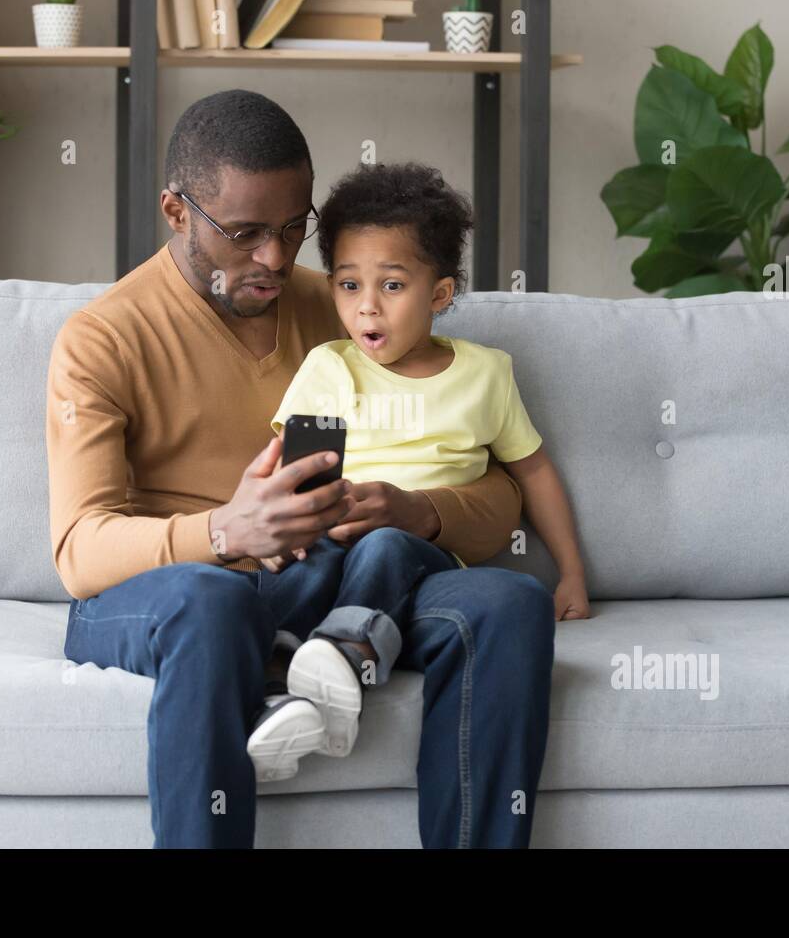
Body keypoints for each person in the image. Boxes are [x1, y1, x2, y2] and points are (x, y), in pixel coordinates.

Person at [46, 89, 555, 848]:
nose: (276, 259)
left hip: (344, 586)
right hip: (183, 595)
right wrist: (222, 531)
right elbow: (80, 553)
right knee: (213, 603)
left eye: (293, 229)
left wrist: (418, 512)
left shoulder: (349, 305)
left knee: (509, 605)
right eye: (246, 233)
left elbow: (501, 487)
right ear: (177, 211)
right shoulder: (102, 340)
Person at [245, 162, 589, 782]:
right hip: (334, 541)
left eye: (393, 286)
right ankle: (284, 688)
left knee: (385, 543)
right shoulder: (331, 367)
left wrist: (571, 573)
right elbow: (297, 471)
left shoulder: (486, 373)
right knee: (306, 562)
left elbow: (534, 473)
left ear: (440, 294)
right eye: (349, 286)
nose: (367, 307)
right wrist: (282, 530)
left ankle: (345, 654)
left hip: (422, 555)